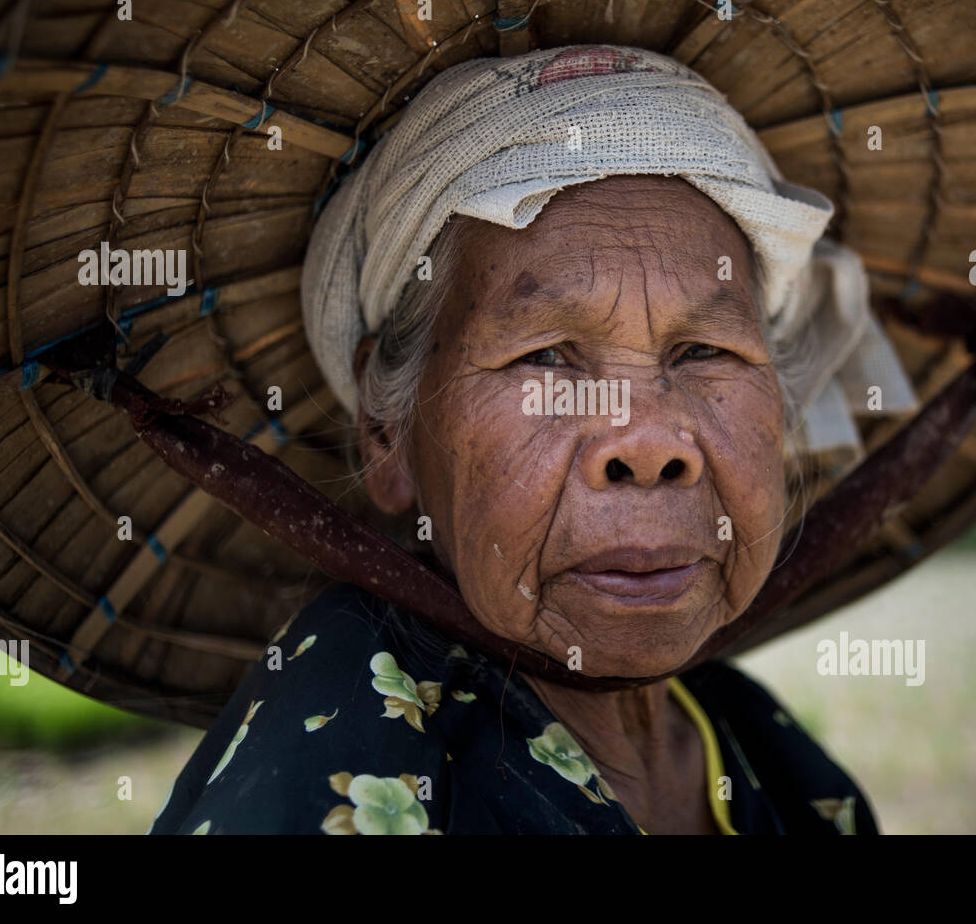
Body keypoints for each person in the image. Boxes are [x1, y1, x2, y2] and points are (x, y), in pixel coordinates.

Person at [149, 45, 913, 835]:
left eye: (705, 351)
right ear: (387, 433)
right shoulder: (345, 720)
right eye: (545, 356)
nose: (650, 442)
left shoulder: (761, 746)